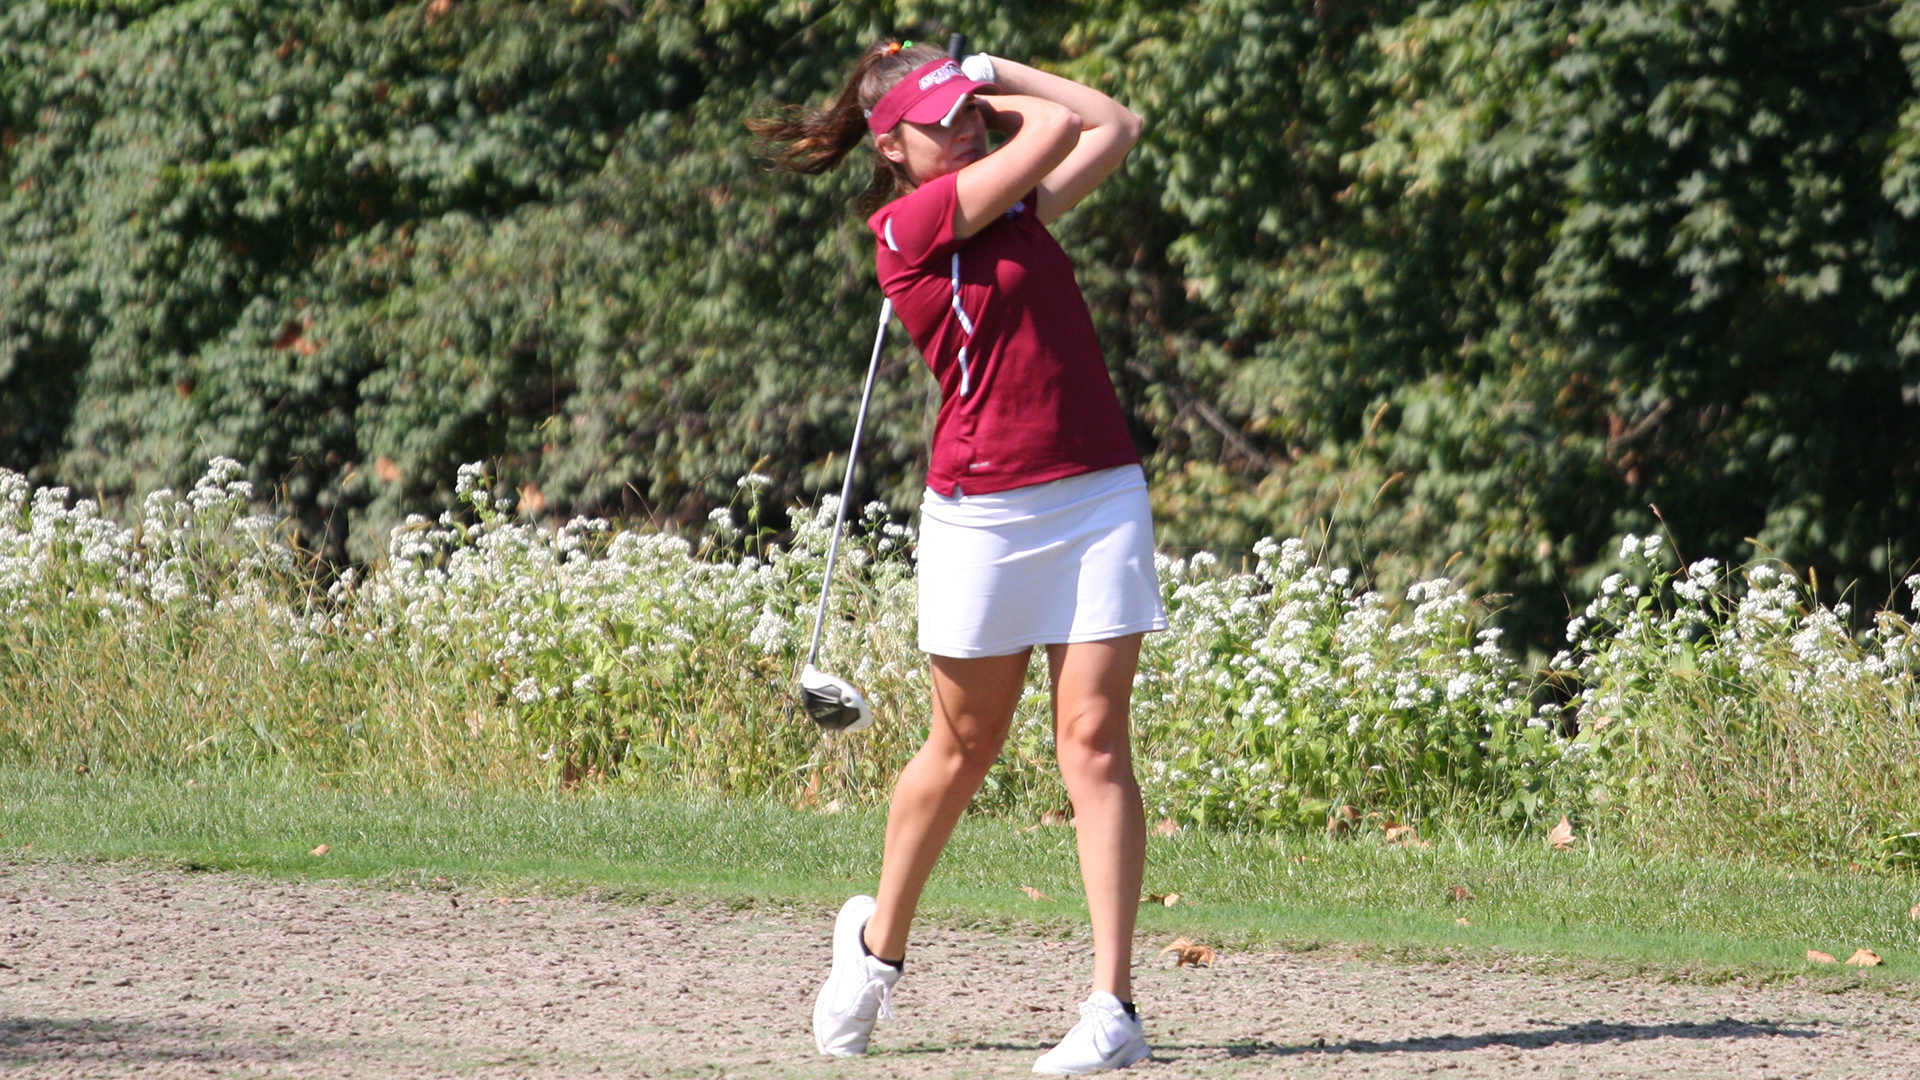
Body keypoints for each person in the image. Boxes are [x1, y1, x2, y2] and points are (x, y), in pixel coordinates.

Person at [749, 39, 1163, 1075]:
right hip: (984, 516)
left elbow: (1115, 124)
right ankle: (876, 947)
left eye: (971, 111)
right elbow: (1064, 128)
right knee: (963, 749)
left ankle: (1113, 1007)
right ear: (892, 149)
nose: (969, 123)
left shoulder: (1011, 209)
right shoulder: (909, 224)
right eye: (944, 118)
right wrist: (997, 80)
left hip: (1100, 490)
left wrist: (995, 67)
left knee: (1096, 745)